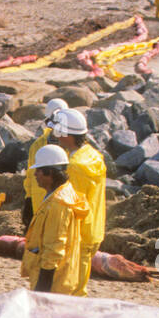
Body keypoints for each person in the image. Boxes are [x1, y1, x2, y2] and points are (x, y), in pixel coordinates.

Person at [52, 108, 106, 297]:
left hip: (79, 234)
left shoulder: (75, 166)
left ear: (65, 133)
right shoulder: (92, 155)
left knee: (72, 290)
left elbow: (72, 205)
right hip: (93, 228)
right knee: (79, 285)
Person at [20, 145, 89, 294]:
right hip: (59, 276)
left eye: (38, 171)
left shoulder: (58, 203)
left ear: (50, 173)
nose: (35, 175)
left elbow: (55, 246)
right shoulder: (61, 193)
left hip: (54, 282)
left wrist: (43, 285)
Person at [22, 96, 67, 227]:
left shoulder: (69, 146)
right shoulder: (37, 145)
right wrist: (28, 200)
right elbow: (31, 175)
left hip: (61, 203)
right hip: (39, 201)